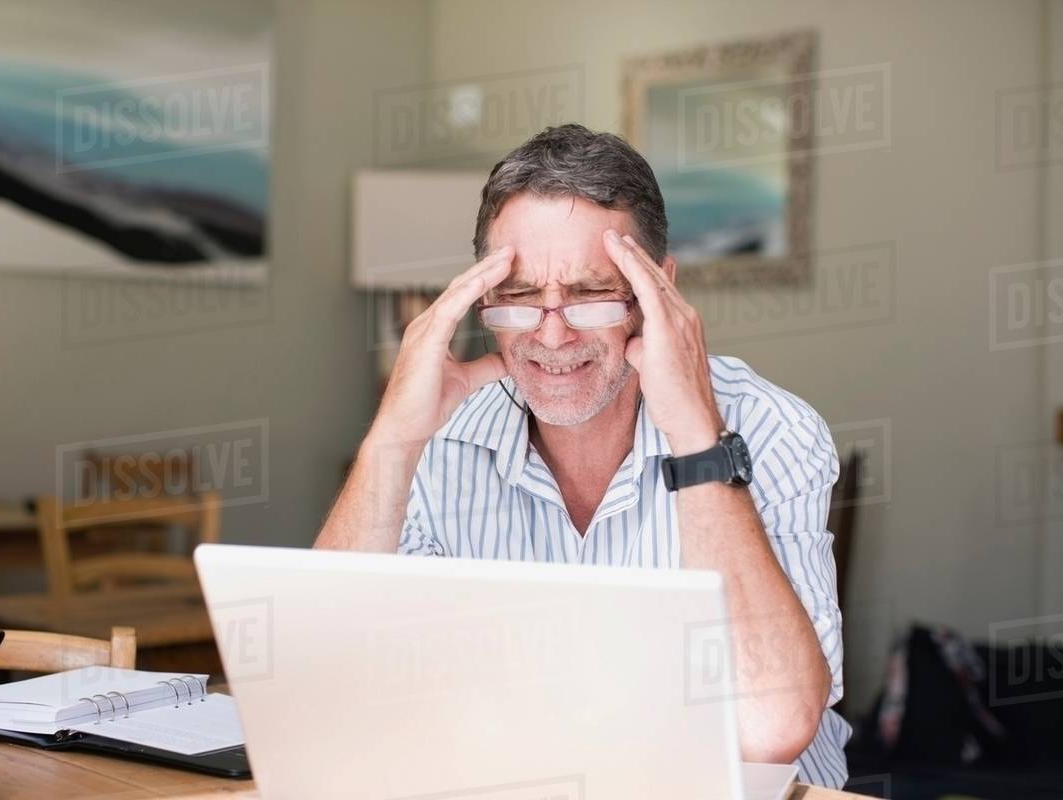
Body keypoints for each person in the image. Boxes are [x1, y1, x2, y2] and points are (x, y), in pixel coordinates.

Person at [315, 123, 849, 788]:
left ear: (658, 291)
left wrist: (697, 439)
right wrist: (393, 439)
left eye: (591, 292)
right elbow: (322, 687)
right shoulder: (441, 435)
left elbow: (767, 731)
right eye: (518, 296)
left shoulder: (772, 427)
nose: (552, 331)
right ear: (483, 300)